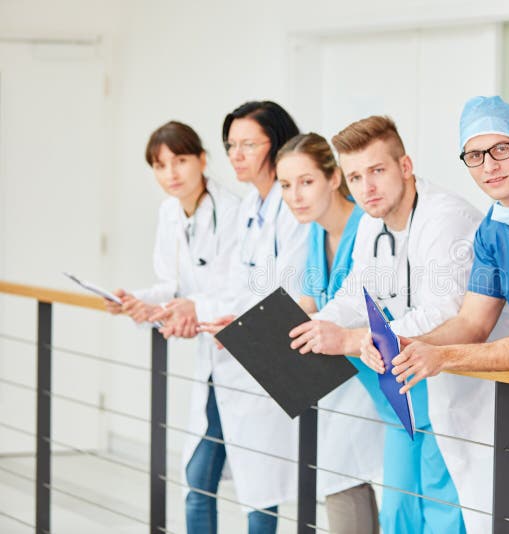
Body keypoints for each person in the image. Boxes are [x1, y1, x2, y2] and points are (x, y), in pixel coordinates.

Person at [358, 96, 509, 531]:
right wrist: (408, 344)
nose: (489, 165)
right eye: (474, 155)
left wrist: (441, 356)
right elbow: (472, 322)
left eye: (500, 149)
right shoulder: (492, 230)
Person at [287, 115, 483, 533]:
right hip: (406, 393)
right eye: (355, 177)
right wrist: (318, 327)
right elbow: (357, 293)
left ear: (405, 167)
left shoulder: (445, 218)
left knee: (444, 517)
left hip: (455, 387)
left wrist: (354, 338)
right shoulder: (371, 223)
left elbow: (443, 314)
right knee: (398, 514)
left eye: (377, 171)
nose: (367, 188)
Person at [156, 101, 308, 534]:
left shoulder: (290, 207)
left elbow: (287, 290)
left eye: (247, 145)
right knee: (211, 476)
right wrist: (194, 308)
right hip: (234, 356)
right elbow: (235, 281)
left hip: (269, 354)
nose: (236, 155)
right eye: (230, 146)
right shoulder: (251, 209)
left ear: (275, 144)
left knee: (261, 485)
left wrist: (203, 309)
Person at [104, 121, 246, 531]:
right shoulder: (169, 213)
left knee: (248, 482)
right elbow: (172, 284)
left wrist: (179, 307)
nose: (171, 173)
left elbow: (230, 291)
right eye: (160, 165)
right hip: (212, 356)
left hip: (238, 353)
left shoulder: (234, 213)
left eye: (181, 160)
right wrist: (137, 301)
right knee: (200, 479)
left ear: (202, 160)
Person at [274, 132, 381, 534]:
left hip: (374, 373)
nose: (295, 195)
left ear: (334, 178)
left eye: (306, 182)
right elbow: (311, 303)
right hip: (340, 379)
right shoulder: (315, 234)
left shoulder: (365, 228)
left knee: (350, 479)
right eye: (285, 185)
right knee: (341, 481)